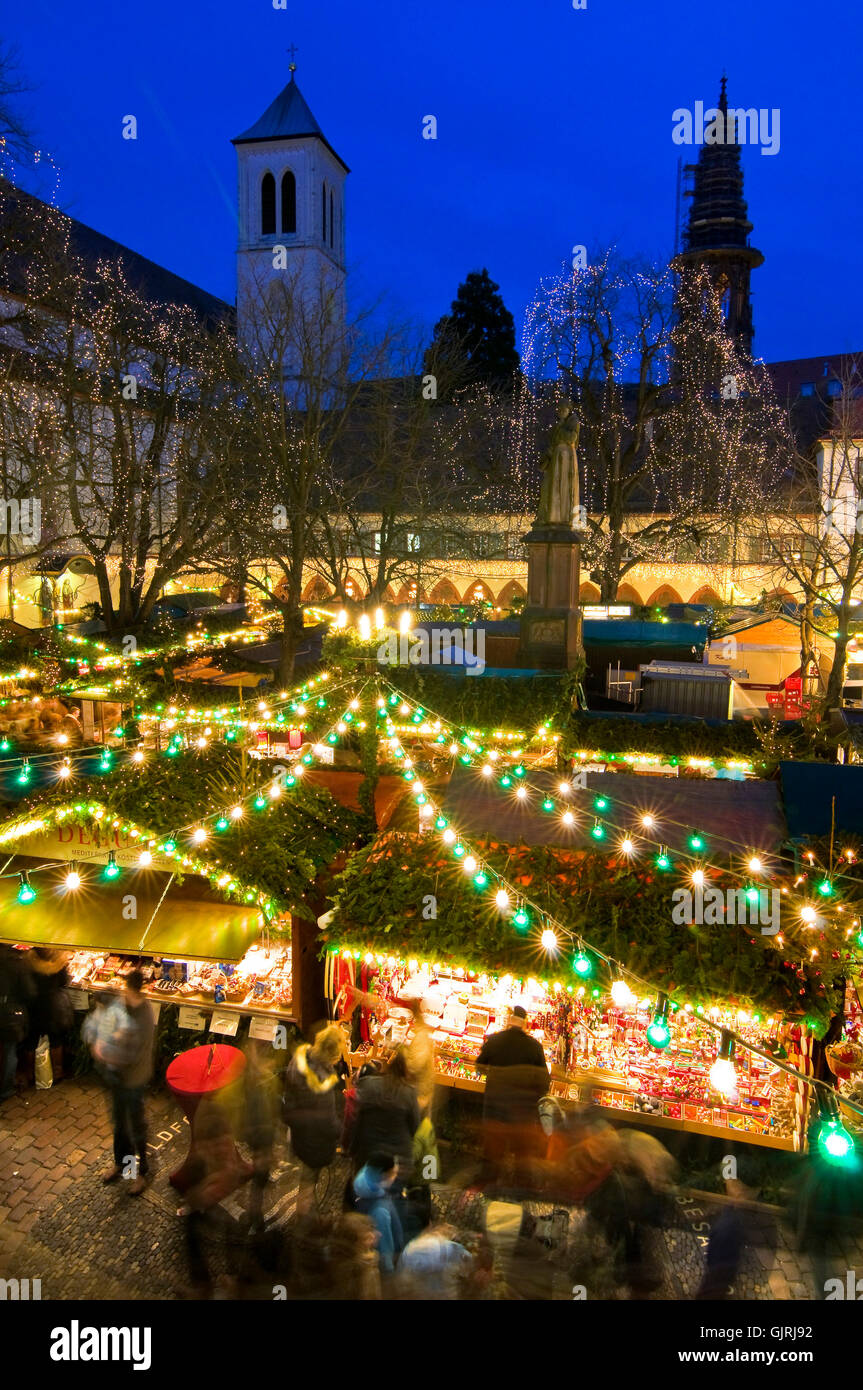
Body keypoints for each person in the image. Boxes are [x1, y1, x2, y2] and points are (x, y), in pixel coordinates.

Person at [84, 969, 155, 1195]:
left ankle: (141, 1172)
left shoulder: (144, 1014)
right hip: (117, 1076)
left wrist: (108, 1051)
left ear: (132, 988)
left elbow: (133, 1050)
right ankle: (122, 1164)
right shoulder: (123, 1005)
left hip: (133, 1078)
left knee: (135, 1125)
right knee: (119, 1122)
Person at [474, 1005, 550, 1190]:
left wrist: (496, 1074)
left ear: (509, 1021)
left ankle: (487, 1188)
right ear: (525, 1024)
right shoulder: (534, 1047)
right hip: (521, 1113)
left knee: (492, 1153)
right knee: (522, 1155)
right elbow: (544, 1081)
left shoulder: (495, 1040)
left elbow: (479, 1067)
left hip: (495, 1109)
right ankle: (520, 1191)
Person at [282, 1024, 345, 1214]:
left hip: (297, 1127)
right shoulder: (323, 1087)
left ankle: (306, 1206)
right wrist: (342, 1132)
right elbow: (329, 1121)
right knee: (309, 1179)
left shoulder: (298, 1059)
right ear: (333, 1057)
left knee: (306, 1174)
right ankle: (304, 1221)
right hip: (314, 1140)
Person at [351, 1047, 420, 1180]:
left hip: (368, 1151)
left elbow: (357, 1116)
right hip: (397, 1159)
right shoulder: (409, 1093)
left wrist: (353, 1148)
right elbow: (414, 1127)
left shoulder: (368, 1084)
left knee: (363, 1190)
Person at [24, 947, 72, 1085]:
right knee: (56, 1040)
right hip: (53, 1007)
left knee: (31, 1041)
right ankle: (57, 1072)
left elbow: (27, 986)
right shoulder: (59, 963)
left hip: (34, 1006)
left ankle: (30, 1074)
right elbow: (64, 982)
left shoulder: (28, 962)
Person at [352, 1152, 404, 1275]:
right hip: (385, 1265)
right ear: (383, 1175)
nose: (395, 1177)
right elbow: (385, 1247)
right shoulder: (380, 1211)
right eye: (393, 1174)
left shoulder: (366, 1179)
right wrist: (390, 1271)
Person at [0, 942, 33, 1103]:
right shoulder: (16, 962)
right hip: (9, 1012)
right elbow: (29, 991)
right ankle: (5, 1090)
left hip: (7, 1009)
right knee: (9, 1050)